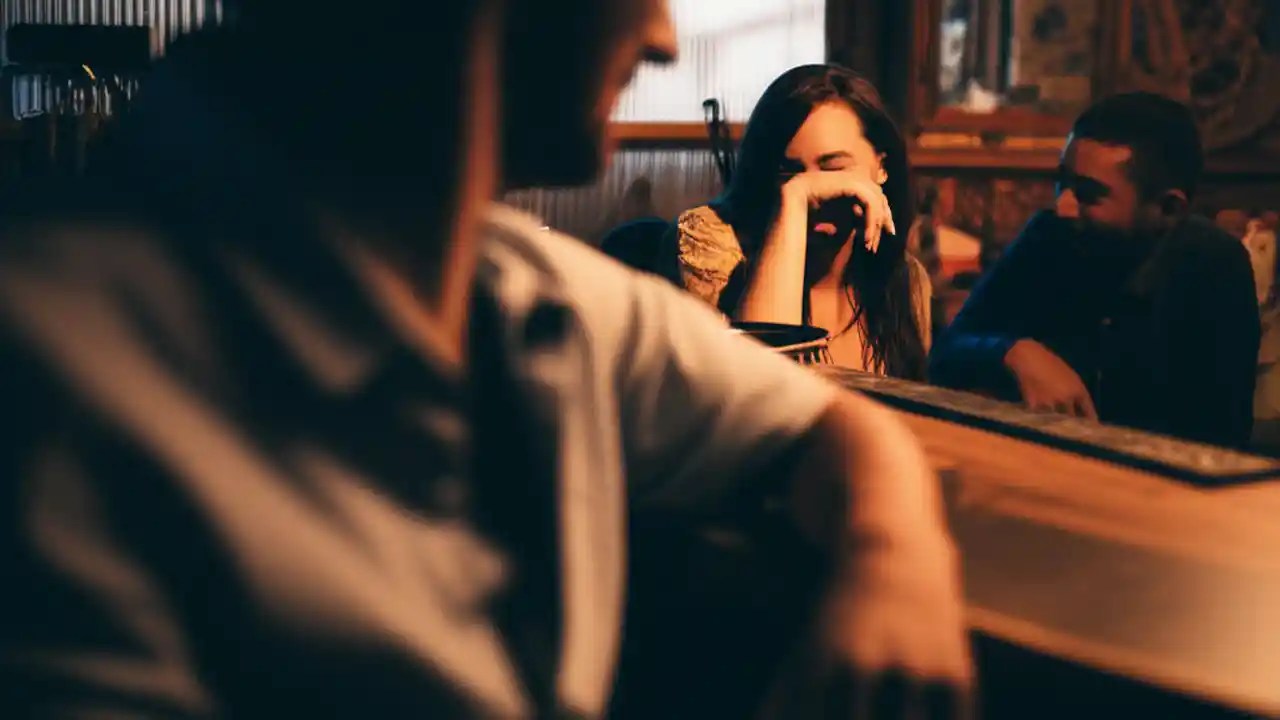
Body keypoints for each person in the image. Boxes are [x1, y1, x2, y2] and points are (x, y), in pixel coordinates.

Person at [0, 1, 970, 718]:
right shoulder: (54, 378)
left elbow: (830, 419)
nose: (664, 38)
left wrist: (894, 560)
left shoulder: (539, 293)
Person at [930, 92, 1260, 450]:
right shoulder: (1049, 235)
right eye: (1063, 182)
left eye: (1088, 194)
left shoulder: (1214, 268)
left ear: (1168, 209)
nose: (1064, 205)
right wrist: (1015, 352)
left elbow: (1219, 439)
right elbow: (947, 351)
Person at [670, 64, 931, 379]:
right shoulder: (714, 245)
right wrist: (794, 198)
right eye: (789, 172)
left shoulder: (905, 280)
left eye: (833, 169)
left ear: (882, 167)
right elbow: (760, 384)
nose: (816, 192)